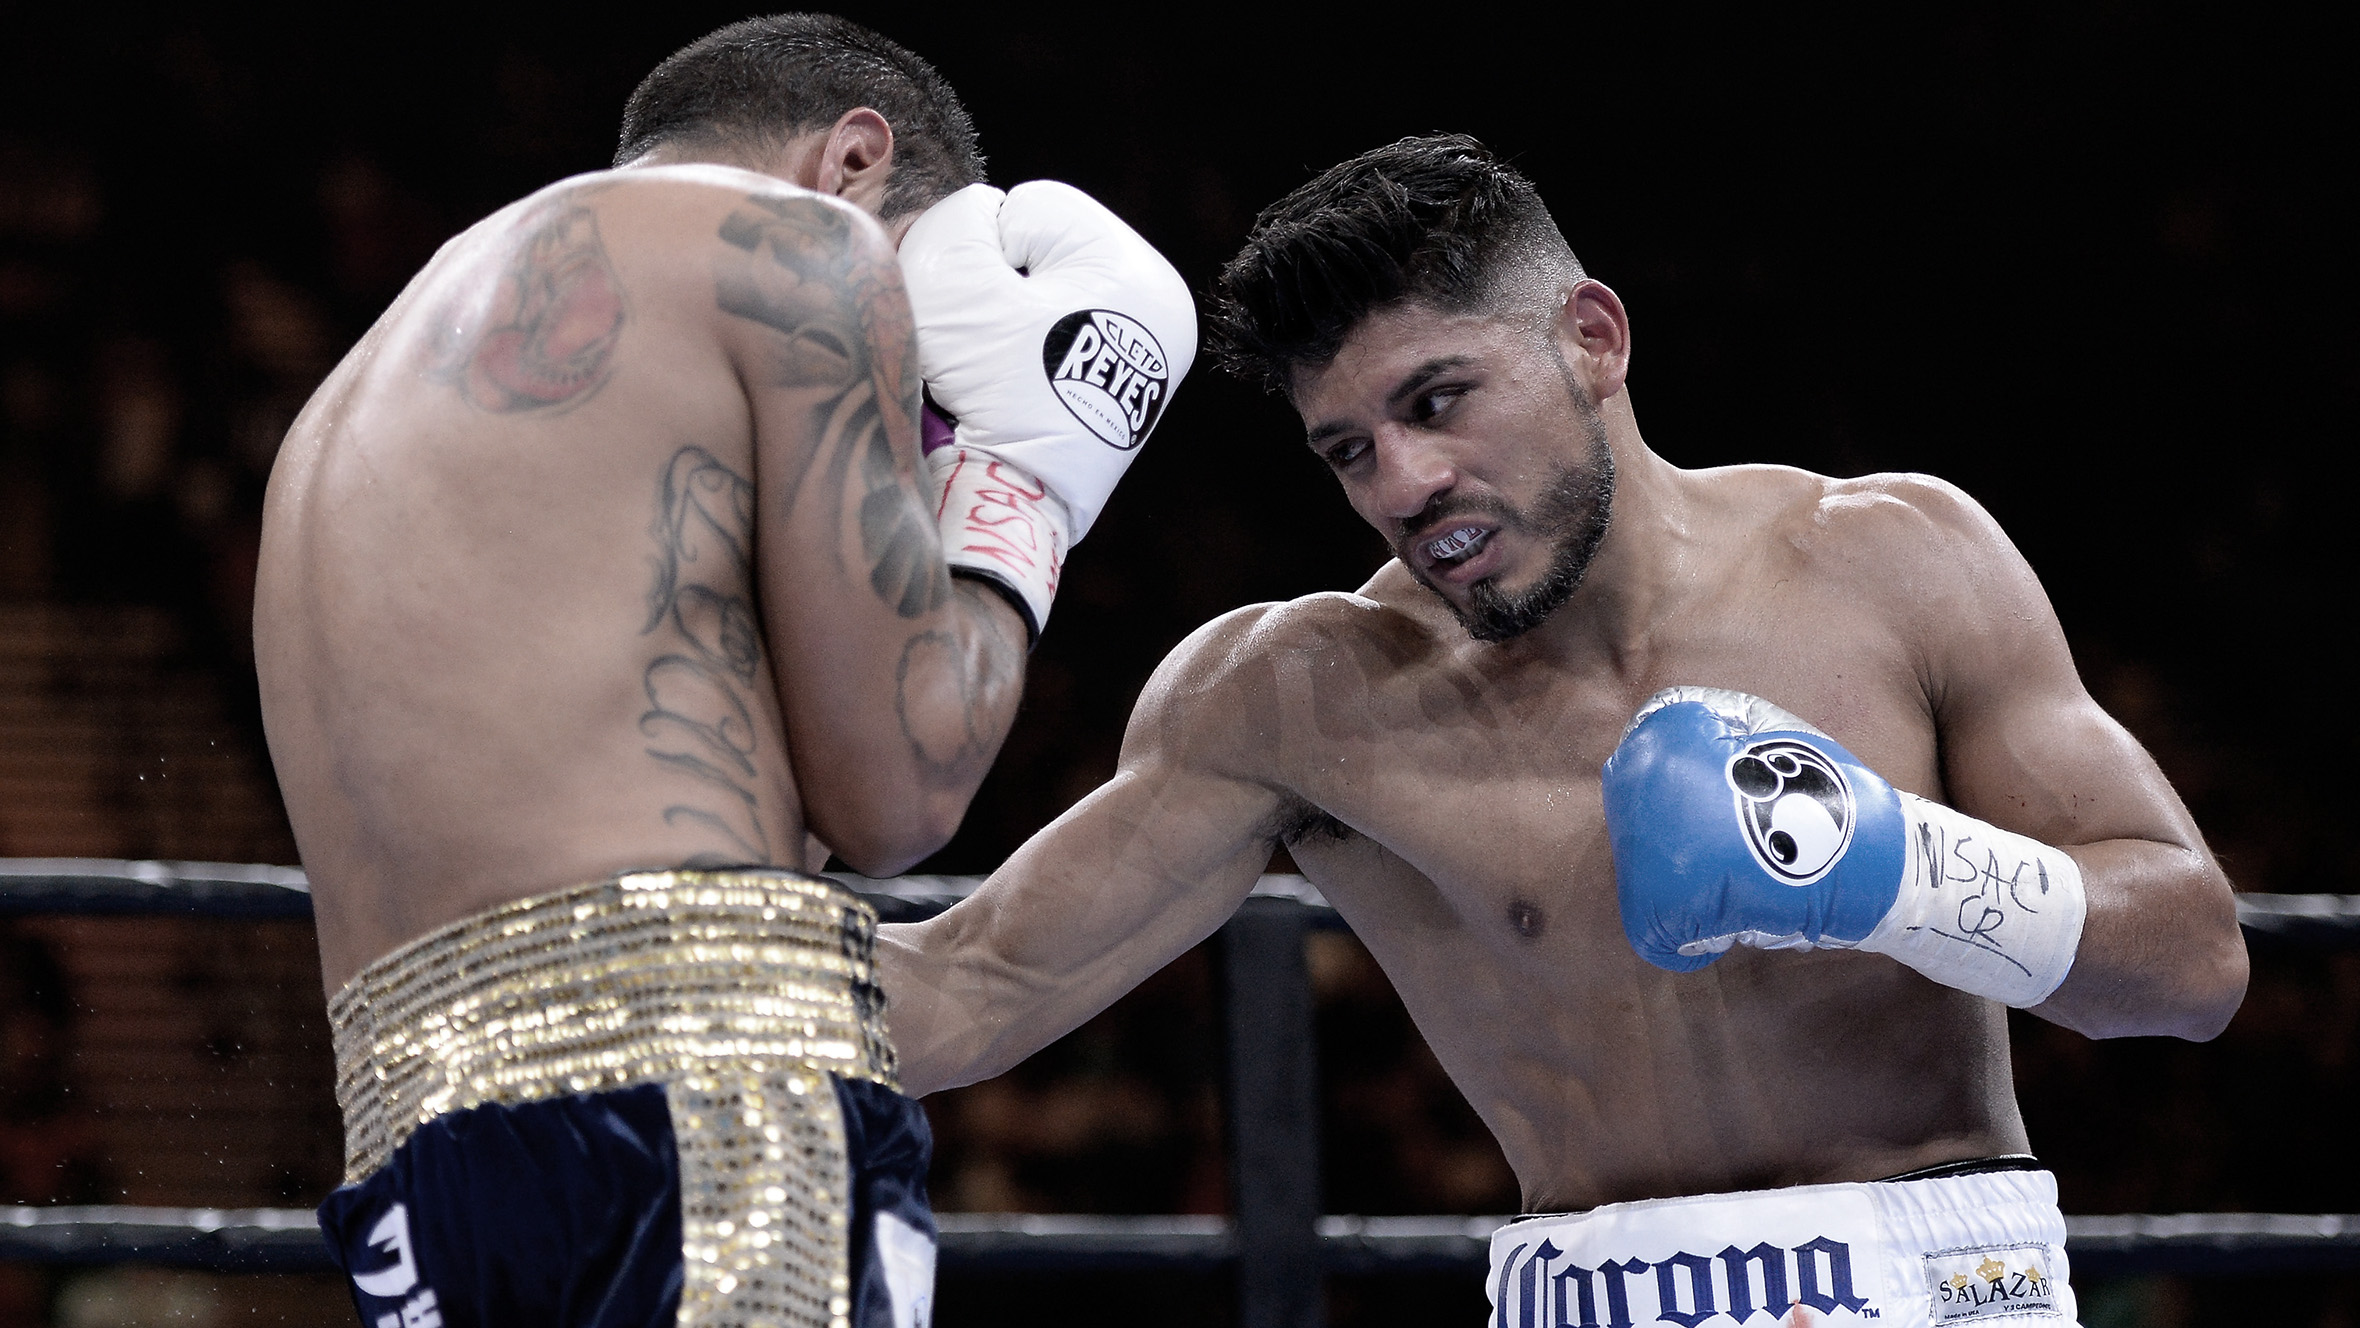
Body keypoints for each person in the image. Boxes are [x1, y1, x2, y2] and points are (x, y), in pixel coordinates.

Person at [876, 134, 2245, 1328]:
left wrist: (1889, 868)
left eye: (1437, 401)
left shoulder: (1898, 562)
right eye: (1348, 449)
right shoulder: (1298, 697)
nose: (1405, 483)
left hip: (1945, 1287)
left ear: (1592, 338)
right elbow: (967, 989)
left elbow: (2194, 967)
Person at [252, 14, 1193, 1328]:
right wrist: (1021, 484)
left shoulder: (362, 388)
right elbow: (902, 793)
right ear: (854, 159)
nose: (916, 411)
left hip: (419, 1162)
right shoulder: (802, 248)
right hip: (707, 1108)